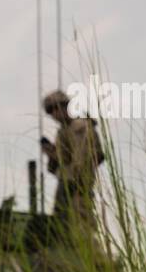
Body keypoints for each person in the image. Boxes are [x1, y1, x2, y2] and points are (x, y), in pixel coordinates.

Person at [41, 89, 105, 235]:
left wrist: (75, 181)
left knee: (83, 230)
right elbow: (63, 163)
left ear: (66, 106)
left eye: (58, 107)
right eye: (51, 111)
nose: (55, 113)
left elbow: (85, 159)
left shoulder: (80, 127)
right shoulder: (63, 132)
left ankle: (95, 258)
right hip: (67, 189)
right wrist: (51, 153)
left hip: (78, 188)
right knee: (63, 230)